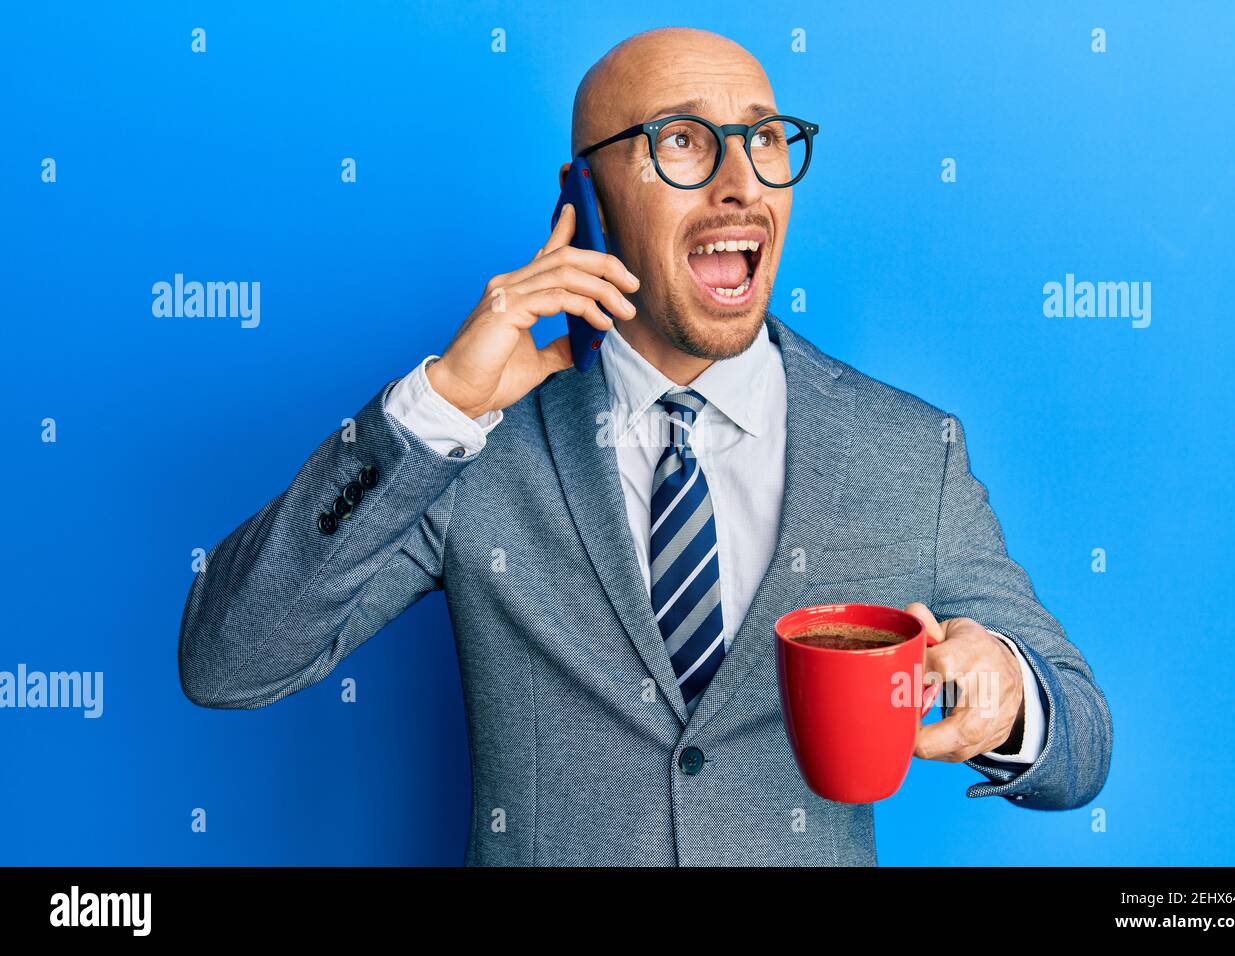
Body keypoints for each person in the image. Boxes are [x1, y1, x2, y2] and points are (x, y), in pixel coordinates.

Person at [178, 26, 1112, 865]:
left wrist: (1011, 696)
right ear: (585, 197)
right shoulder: (471, 445)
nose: (742, 182)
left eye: (766, 139)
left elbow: (1081, 743)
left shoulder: (907, 450)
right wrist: (439, 408)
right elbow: (228, 662)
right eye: (682, 141)